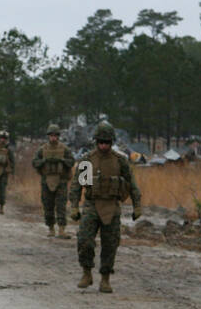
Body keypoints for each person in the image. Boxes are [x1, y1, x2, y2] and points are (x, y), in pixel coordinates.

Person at [68, 122, 140, 293]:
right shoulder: (88, 160)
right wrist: (74, 207)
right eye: (100, 142)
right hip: (92, 205)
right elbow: (77, 185)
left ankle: (105, 278)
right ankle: (87, 272)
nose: (103, 145)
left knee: (110, 244)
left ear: (111, 142)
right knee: (84, 240)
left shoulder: (119, 161)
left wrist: (137, 205)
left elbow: (132, 184)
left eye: (107, 142)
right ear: (96, 142)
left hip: (112, 206)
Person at [32, 124, 75, 238]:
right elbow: (35, 162)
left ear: (58, 136)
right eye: (51, 135)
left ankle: (61, 230)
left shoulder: (64, 149)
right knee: (48, 205)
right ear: (48, 136)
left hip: (61, 180)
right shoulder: (42, 149)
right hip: (46, 180)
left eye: (55, 135)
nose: (53, 138)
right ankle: (51, 228)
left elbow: (71, 162)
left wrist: (62, 160)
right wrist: (44, 161)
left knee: (61, 205)